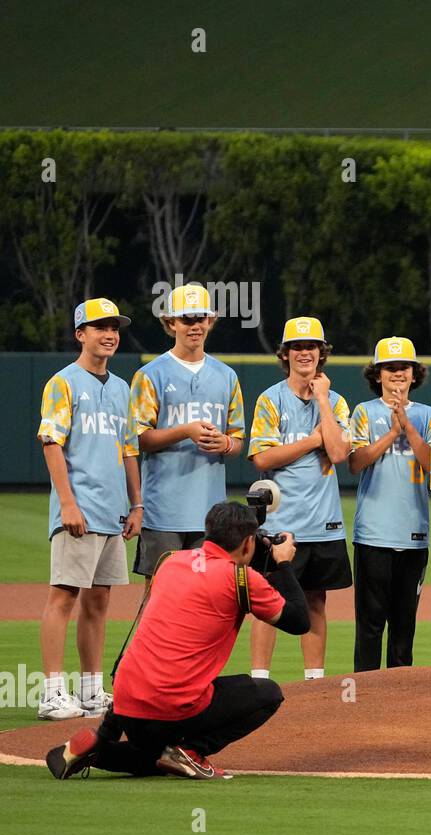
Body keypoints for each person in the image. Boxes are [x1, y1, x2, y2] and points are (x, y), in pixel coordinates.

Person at [45, 502, 310, 781]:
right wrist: (283, 563)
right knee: (267, 693)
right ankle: (192, 751)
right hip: (172, 706)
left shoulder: (171, 561)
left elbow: (210, 573)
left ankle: (99, 746)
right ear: (247, 542)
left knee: (154, 757)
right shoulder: (240, 579)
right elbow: (299, 621)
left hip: (126, 702)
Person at [36, 298, 142, 720]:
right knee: (62, 597)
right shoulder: (63, 383)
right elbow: (51, 443)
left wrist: (136, 504)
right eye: (100, 327)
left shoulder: (120, 389)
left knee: (98, 604)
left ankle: (91, 691)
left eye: (114, 327)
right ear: (80, 334)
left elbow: (129, 450)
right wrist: (67, 503)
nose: (110, 334)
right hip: (78, 511)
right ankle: (50, 694)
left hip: (113, 513)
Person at [247, 317, 352, 682]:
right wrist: (310, 442)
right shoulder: (270, 400)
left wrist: (322, 399)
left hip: (323, 522)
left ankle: (315, 682)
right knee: (268, 602)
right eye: (297, 346)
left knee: (315, 601)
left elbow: (339, 454)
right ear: (286, 353)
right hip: (279, 522)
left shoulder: (335, 402)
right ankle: (259, 679)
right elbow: (262, 458)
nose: (304, 352)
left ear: (322, 353)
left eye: (312, 346)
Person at [129, 284, 244, 580]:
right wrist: (186, 431)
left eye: (201, 318)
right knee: (159, 596)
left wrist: (225, 442)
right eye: (187, 319)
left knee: (205, 597)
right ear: (171, 323)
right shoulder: (150, 374)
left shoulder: (227, 376)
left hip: (210, 513)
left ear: (211, 320)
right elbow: (139, 439)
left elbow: (238, 441)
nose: (195, 326)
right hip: (163, 509)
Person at [348, 337, 431, 671]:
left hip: (414, 531)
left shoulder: (428, 416)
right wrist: (390, 434)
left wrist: (407, 427)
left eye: (404, 368)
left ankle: (400, 703)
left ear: (415, 374)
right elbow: (355, 463)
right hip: (373, 531)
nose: (397, 374)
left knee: (404, 626)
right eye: (390, 368)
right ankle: (366, 701)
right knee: (370, 624)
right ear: (378, 375)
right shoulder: (364, 412)